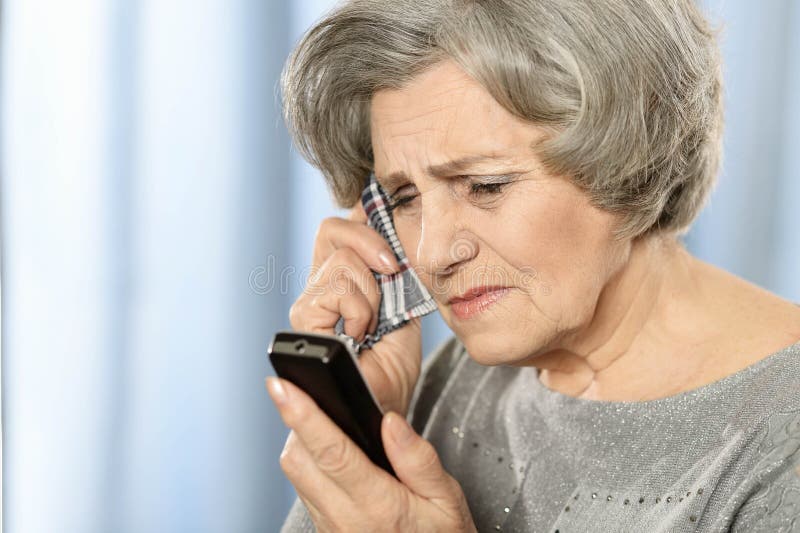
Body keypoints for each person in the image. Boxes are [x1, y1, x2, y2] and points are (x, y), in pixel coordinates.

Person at [265, 0, 800, 530]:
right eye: (404, 197)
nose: (429, 255)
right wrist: (365, 433)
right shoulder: (457, 375)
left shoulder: (782, 444)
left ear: (631, 150)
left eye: (485, 186)